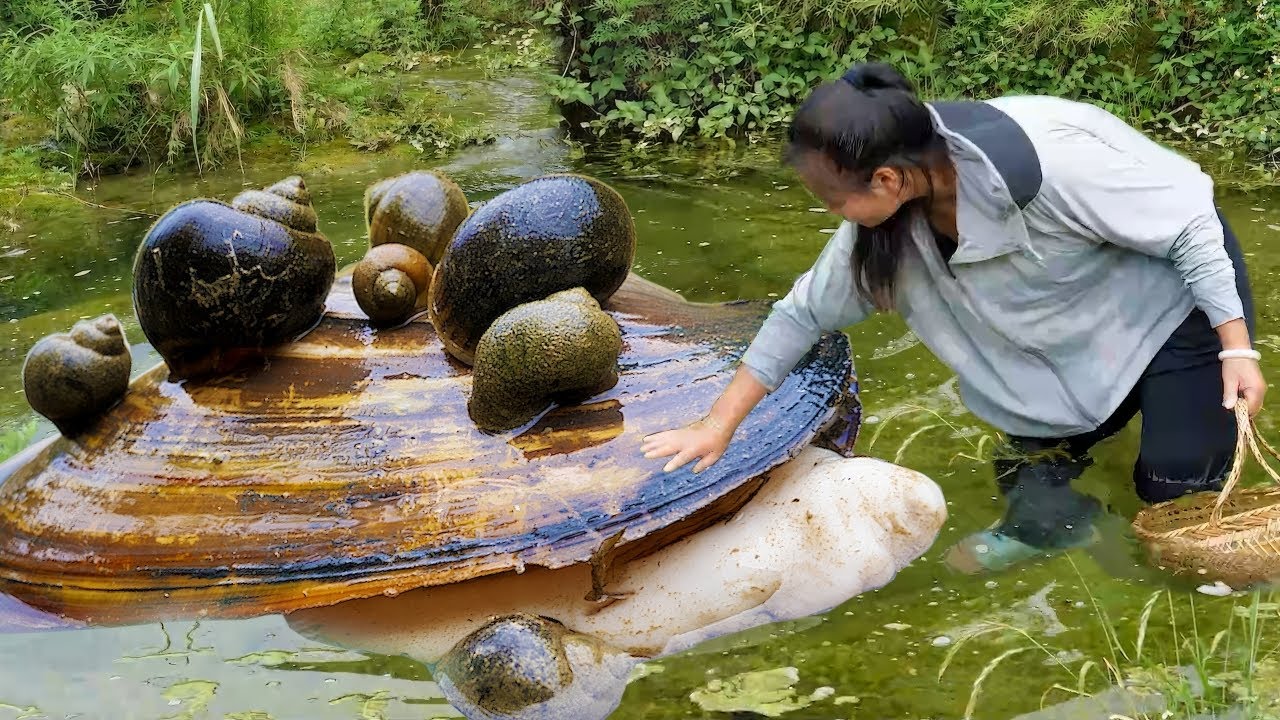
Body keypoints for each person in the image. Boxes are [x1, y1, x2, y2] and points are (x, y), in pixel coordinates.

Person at [639, 61, 1266, 574]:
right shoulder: (887, 220)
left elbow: (1190, 229)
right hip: (1073, 320)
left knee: (1176, 495)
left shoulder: (1053, 164)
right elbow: (801, 315)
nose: (835, 216)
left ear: (886, 178)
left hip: (1173, 303)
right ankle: (1049, 531)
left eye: (834, 200)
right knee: (1026, 459)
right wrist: (717, 426)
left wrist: (1237, 350)